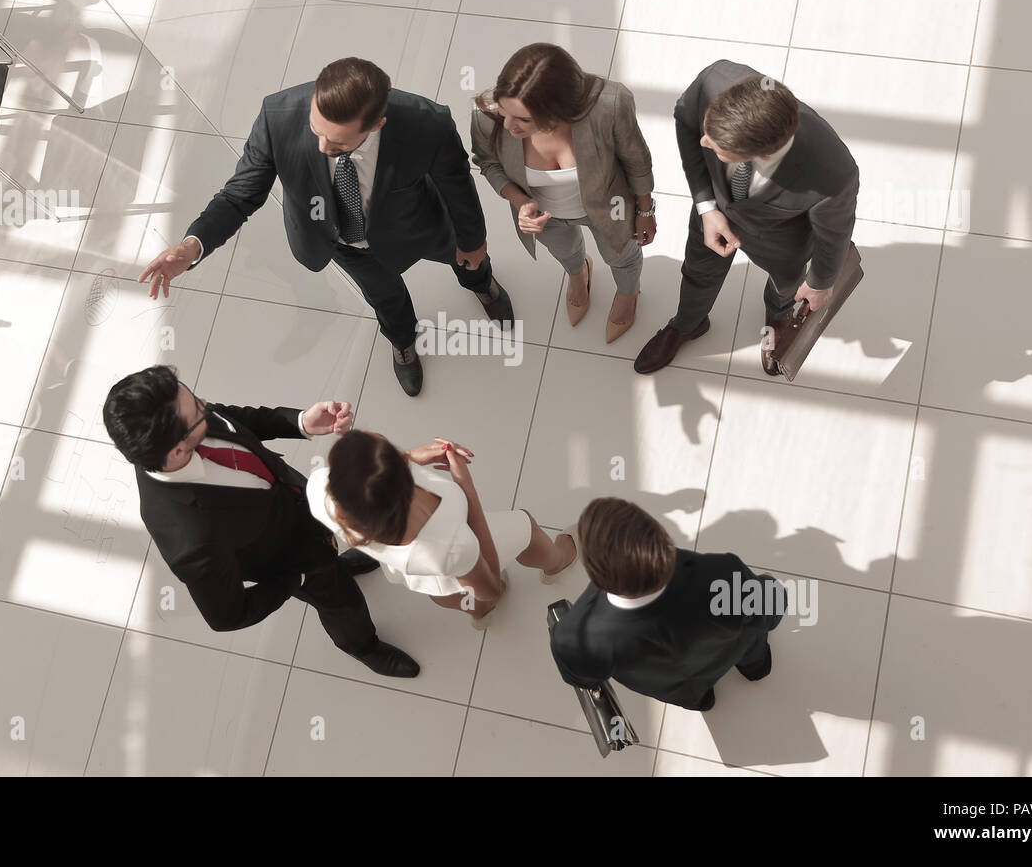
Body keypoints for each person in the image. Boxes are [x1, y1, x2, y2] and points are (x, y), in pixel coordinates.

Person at [136, 57, 513, 397]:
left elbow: (457, 185)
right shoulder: (278, 115)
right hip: (344, 241)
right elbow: (240, 195)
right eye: (316, 130)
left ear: (377, 124)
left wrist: (474, 240)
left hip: (418, 222)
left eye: (335, 142)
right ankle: (403, 341)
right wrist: (192, 245)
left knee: (467, 259)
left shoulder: (426, 122)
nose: (320, 146)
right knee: (383, 297)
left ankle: (482, 286)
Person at [102, 365, 419, 678]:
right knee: (342, 601)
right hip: (291, 559)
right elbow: (226, 616)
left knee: (333, 545)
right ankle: (363, 646)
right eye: (198, 409)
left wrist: (299, 423)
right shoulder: (189, 539)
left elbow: (232, 420)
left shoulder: (184, 419)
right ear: (177, 451)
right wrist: (295, 581)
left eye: (196, 397)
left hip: (298, 499)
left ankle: (337, 560)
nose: (205, 406)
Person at [635, 60, 859, 375]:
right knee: (698, 271)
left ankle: (777, 317)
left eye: (716, 146)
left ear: (762, 155)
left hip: (780, 238)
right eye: (708, 131)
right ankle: (689, 324)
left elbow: (834, 234)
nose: (704, 142)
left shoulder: (833, 171)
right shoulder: (715, 81)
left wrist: (821, 283)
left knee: (786, 286)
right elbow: (687, 124)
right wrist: (706, 206)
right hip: (712, 213)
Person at [471, 43, 656, 343]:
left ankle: (628, 293)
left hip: (609, 207)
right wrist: (520, 201)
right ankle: (578, 272)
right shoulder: (487, 115)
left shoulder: (611, 105)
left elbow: (636, 161)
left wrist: (645, 211)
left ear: (558, 112)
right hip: (546, 215)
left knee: (622, 259)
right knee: (565, 252)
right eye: (505, 112)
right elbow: (488, 162)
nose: (507, 125)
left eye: (523, 120)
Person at [306, 430, 577, 629]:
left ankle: (481, 614)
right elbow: (489, 583)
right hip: (465, 549)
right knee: (525, 526)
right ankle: (557, 563)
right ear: (402, 486)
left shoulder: (320, 491)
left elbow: (366, 487)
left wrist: (410, 457)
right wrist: (466, 485)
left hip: (421, 574)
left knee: (448, 593)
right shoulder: (450, 546)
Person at [548, 498, 785, 712]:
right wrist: (767, 584)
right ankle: (756, 669)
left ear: (596, 575)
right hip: (729, 648)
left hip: (674, 685)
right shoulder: (721, 576)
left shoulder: (573, 636)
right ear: (663, 540)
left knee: (693, 696)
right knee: (751, 645)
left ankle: (704, 702)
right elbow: (770, 610)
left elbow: (582, 677)